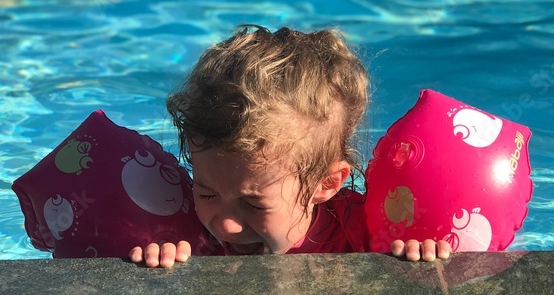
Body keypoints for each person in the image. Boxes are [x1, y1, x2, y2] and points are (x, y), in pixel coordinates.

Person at [129, 26, 453, 268]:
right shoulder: (192, 236)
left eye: (254, 205)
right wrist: (161, 260)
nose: (225, 224)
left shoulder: (362, 233)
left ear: (325, 184)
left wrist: (417, 254)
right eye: (207, 194)